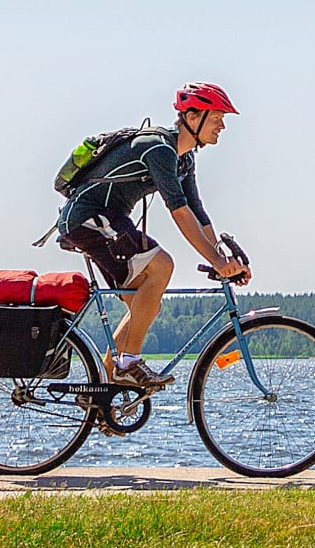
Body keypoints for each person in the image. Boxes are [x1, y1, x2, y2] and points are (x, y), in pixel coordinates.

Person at [56, 82, 252, 388]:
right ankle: (128, 363)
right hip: (87, 218)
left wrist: (223, 260)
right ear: (192, 117)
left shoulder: (184, 159)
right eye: (216, 118)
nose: (222, 126)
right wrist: (216, 261)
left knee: (147, 305)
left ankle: (103, 393)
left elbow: (197, 212)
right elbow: (179, 211)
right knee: (162, 265)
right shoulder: (160, 149)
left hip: (110, 222)